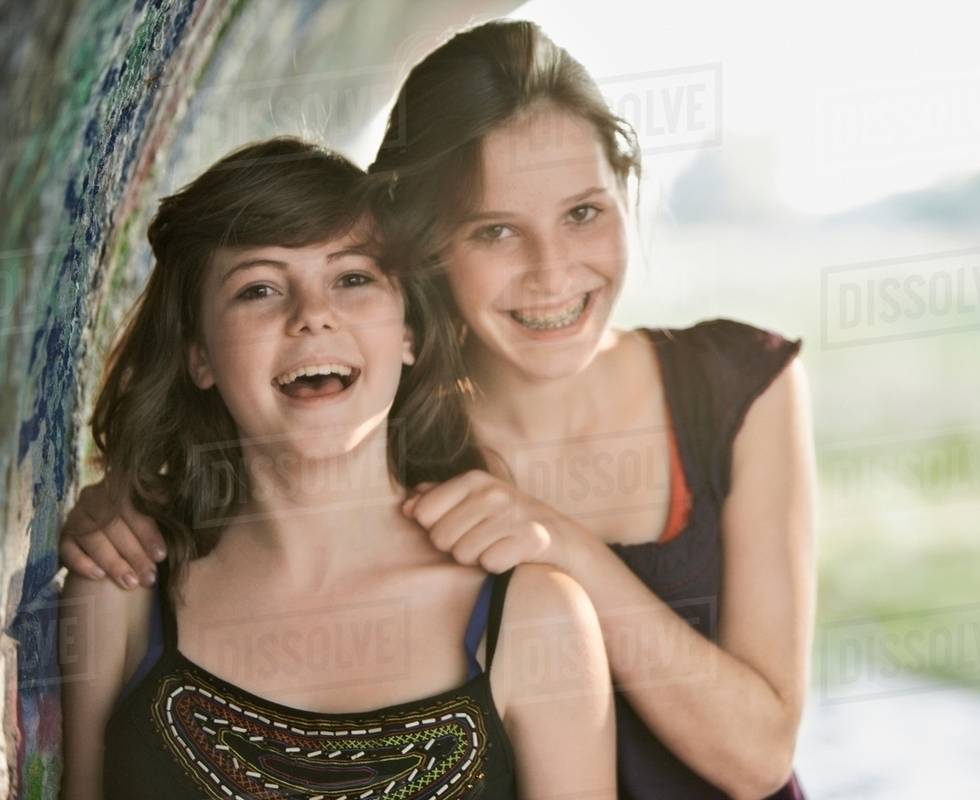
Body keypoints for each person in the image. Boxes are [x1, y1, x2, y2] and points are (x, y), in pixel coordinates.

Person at [60, 19, 817, 800]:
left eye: (583, 212)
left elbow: (760, 756)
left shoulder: (734, 384)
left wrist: (564, 546)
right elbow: (278, 452)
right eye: (496, 229)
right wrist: (124, 498)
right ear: (425, 250)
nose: (552, 270)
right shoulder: (401, 426)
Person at [57, 137, 615, 800]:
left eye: (352, 278)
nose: (313, 316)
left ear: (408, 331)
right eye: (258, 289)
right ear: (198, 354)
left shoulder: (537, 618)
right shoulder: (118, 591)